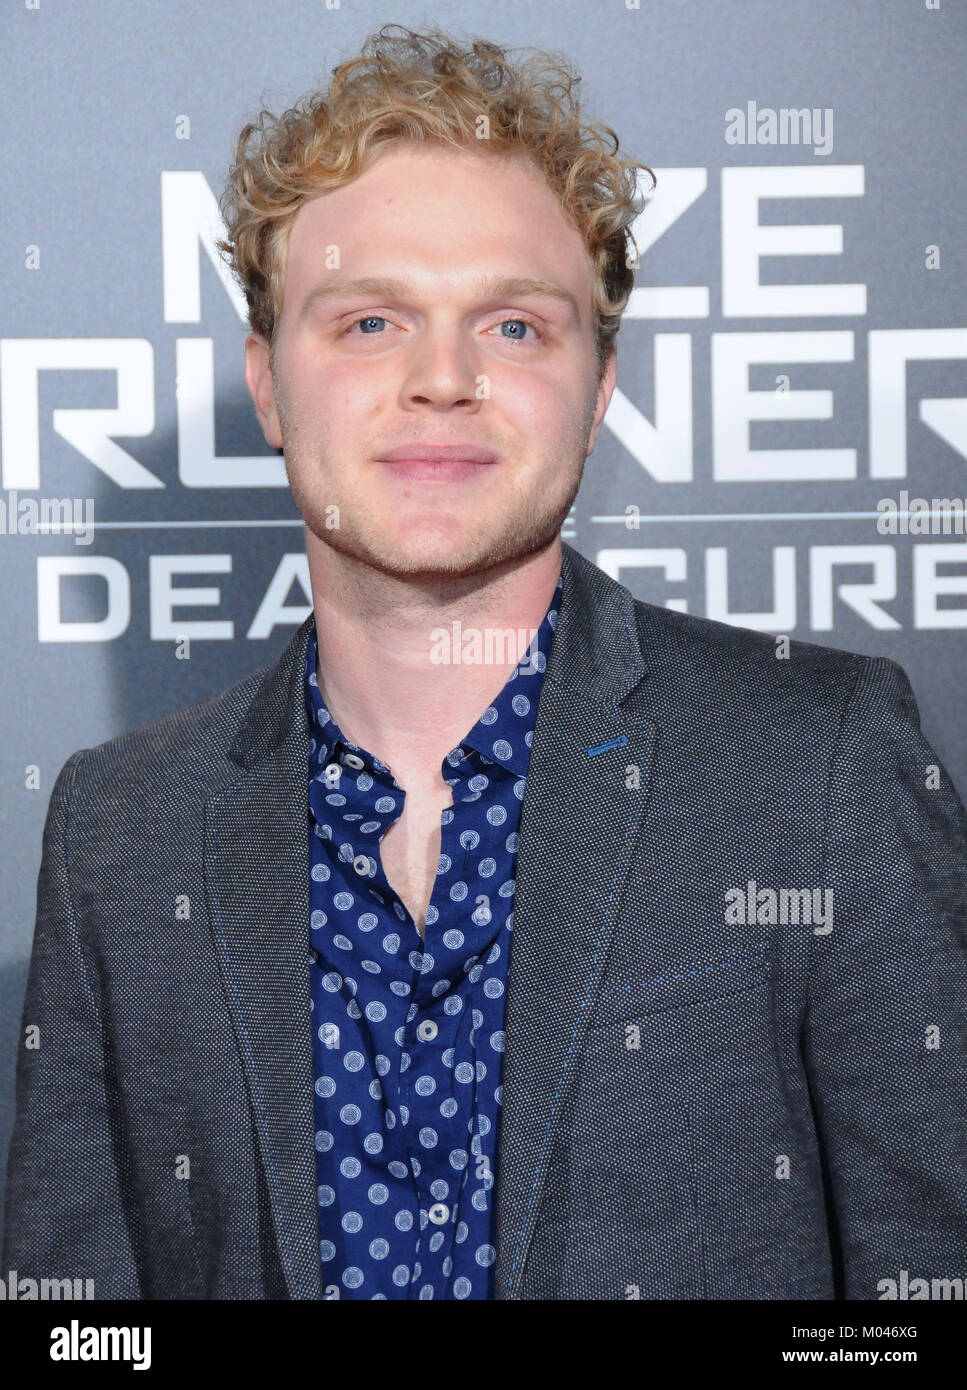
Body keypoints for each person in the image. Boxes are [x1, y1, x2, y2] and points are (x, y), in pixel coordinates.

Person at [4, 24, 966, 1302]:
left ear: (600, 384)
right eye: (369, 321)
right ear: (271, 386)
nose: (443, 378)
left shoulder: (820, 764)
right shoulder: (117, 831)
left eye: (513, 325)